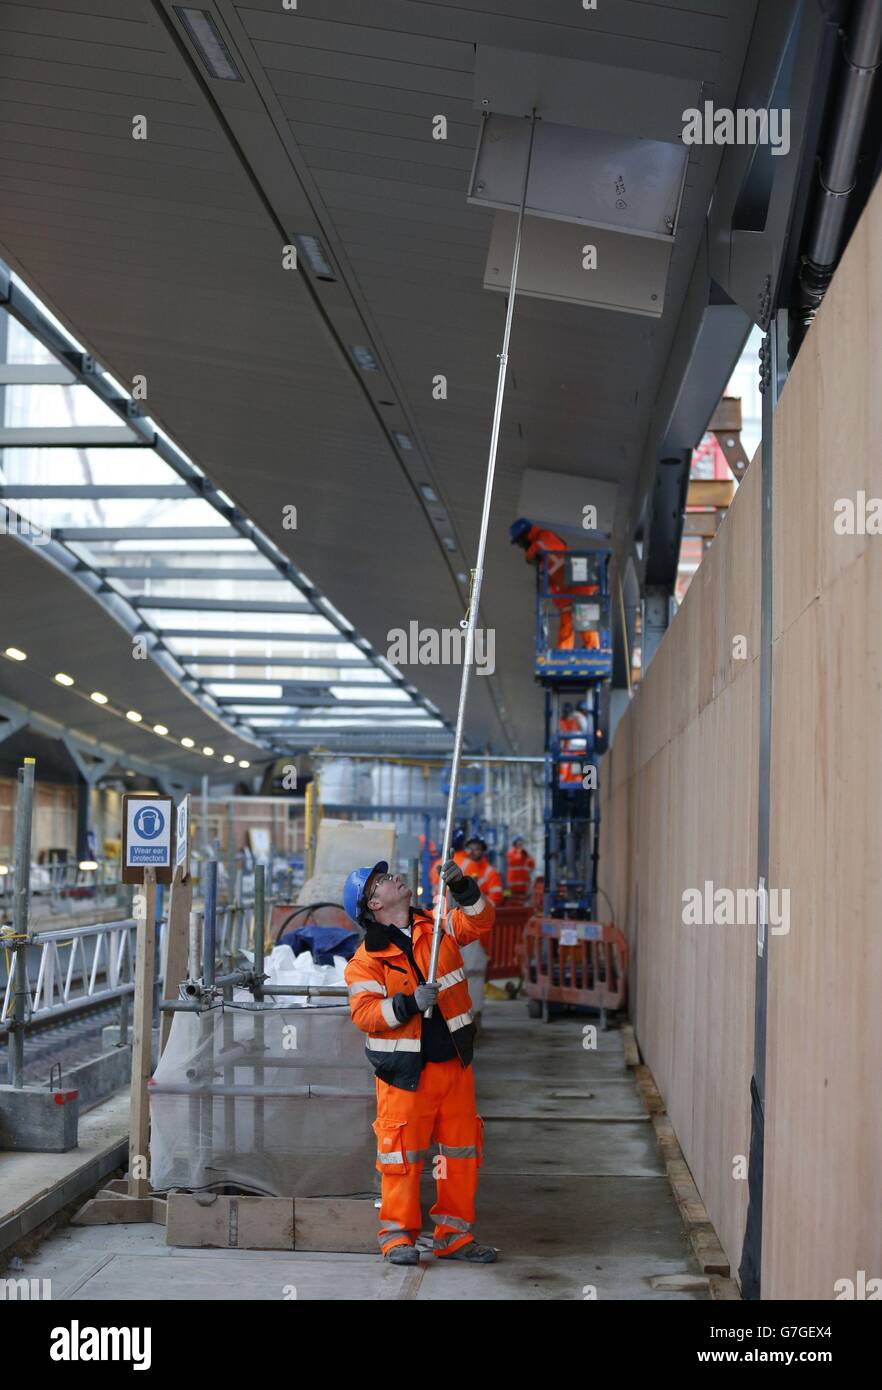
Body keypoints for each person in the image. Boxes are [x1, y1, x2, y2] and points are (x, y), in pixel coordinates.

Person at [342, 859, 498, 1265]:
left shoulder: (439, 924)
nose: (394, 877)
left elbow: (481, 923)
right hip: (405, 1076)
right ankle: (397, 1237)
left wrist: (463, 887)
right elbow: (365, 1015)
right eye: (382, 880)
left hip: (455, 1067)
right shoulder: (366, 960)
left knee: (459, 1156)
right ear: (374, 903)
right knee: (402, 1160)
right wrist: (408, 1004)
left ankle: (454, 1236)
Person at [510, 518, 601, 650]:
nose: (520, 546)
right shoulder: (542, 553)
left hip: (579, 581)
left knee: (584, 615)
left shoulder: (544, 536)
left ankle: (593, 648)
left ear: (525, 534)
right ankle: (564, 652)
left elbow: (541, 548)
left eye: (519, 541)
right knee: (567, 621)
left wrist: (529, 555)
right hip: (567, 590)